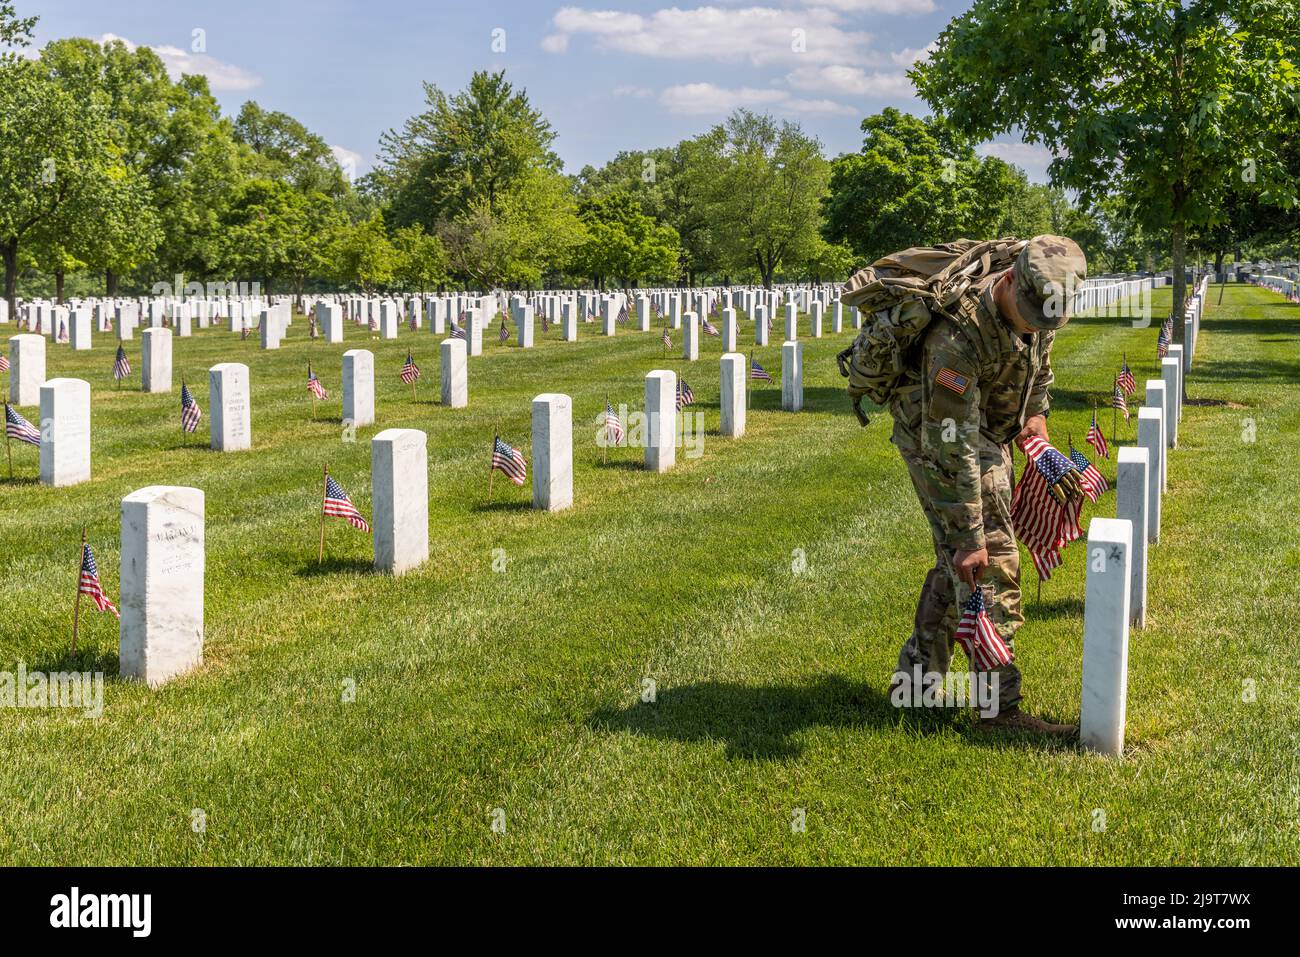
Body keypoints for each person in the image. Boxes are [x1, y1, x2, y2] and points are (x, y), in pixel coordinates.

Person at [890, 235, 1087, 735]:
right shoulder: (957, 337)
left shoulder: (1041, 305)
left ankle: (914, 685)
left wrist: (1035, 425)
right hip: (939, 436)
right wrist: (968, 536)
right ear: (1008, 283)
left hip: (987, 430)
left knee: (956, 567)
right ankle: (998, 710)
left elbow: (1037, 371)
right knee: (989, 560)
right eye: (1028, 314)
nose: (1037, 325)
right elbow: (950, 447)